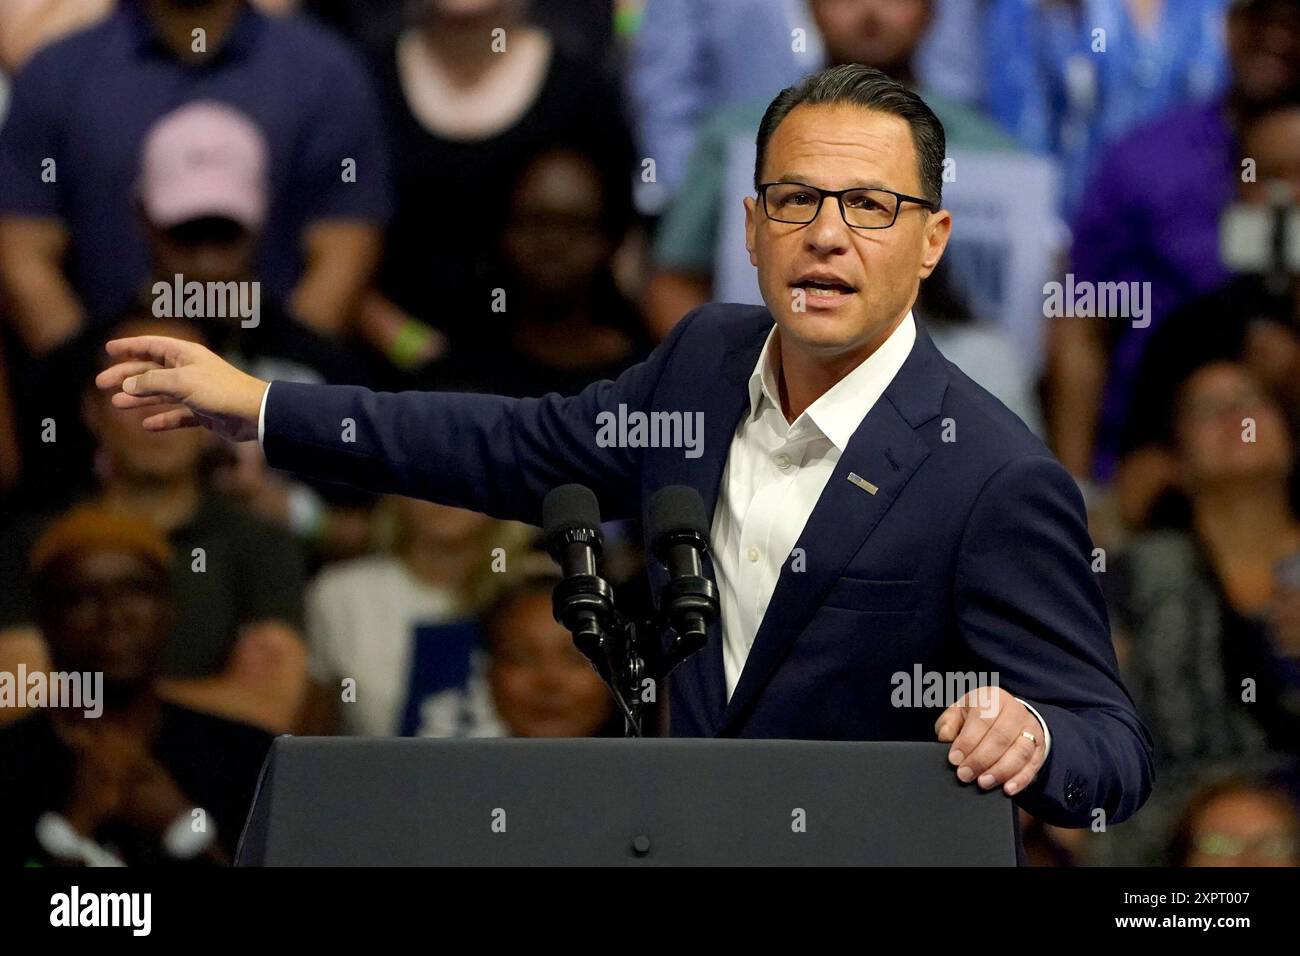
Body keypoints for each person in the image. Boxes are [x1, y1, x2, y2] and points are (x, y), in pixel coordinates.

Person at [97, 65, 1153, 828]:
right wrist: (262, 406)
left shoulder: (993, 474)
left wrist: (1037, 736)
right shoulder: (700, 359)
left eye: (870, 206)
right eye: (795, 200)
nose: (826, 235)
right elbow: (509, 442)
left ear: (931, 243)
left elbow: (1112, 745)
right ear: (749, 227)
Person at [0, 506, 272, 866]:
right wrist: (67, 832)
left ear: (168, 609)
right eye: (82, 597)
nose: (113, 617)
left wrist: (185, 831)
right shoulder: (8, 764)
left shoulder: (249, 759)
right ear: (46, 623)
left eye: (135, 592)